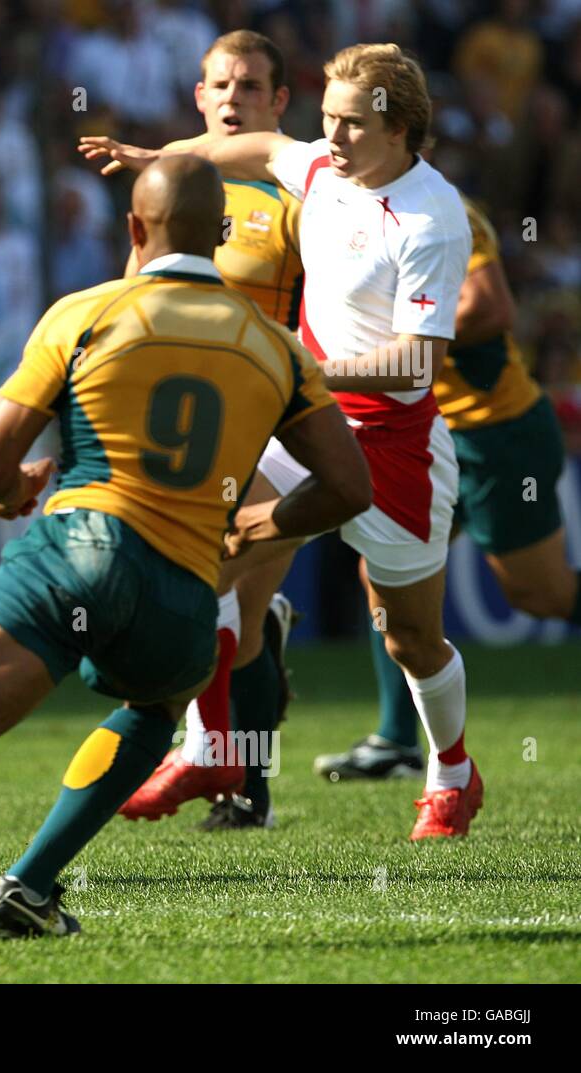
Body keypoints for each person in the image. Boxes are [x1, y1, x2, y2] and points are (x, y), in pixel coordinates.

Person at [0, 156, 370, 957]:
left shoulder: (86, 313)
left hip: (80, 549)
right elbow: (347, 486)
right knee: (157, 706)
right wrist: (254, 529)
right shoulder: (275, 348)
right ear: (224, 236)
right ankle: (30, 884)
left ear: (134, 229)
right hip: (187, 590)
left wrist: (10, 491)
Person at [81, 44, 481, 841]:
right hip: (302, 425)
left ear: (399, 129)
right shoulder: (324, 172)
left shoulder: (433, 218)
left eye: (351, 125)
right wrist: (164, 159)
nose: (330, 138)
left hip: (392, 445)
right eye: (327, 119)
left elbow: (417, 362)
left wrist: (304, 367)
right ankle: (214, 749)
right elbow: (262, 148)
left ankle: (453, 772)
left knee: (411, 636)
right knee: (205, 555)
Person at [112, 29, 309, 830]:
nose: (234, 98)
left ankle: (204, 753)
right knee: (237, 606)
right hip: (202, 417)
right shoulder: (173, 191)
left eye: (252, 87)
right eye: (220, 85)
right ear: (198, 98)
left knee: (206, 581)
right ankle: (243, 792)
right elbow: (137, 295)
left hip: (287, 416)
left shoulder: (299, 196)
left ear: (279, 105)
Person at [317, 193, 581, 780]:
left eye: (358, 123)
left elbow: (490, 308)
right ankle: (396, 741)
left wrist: (398, 342)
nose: (340, 140)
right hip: (428, 431)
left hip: (495, 434)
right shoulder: (344, 211)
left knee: (542, 596)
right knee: (384, 571)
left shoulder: (444, 209)